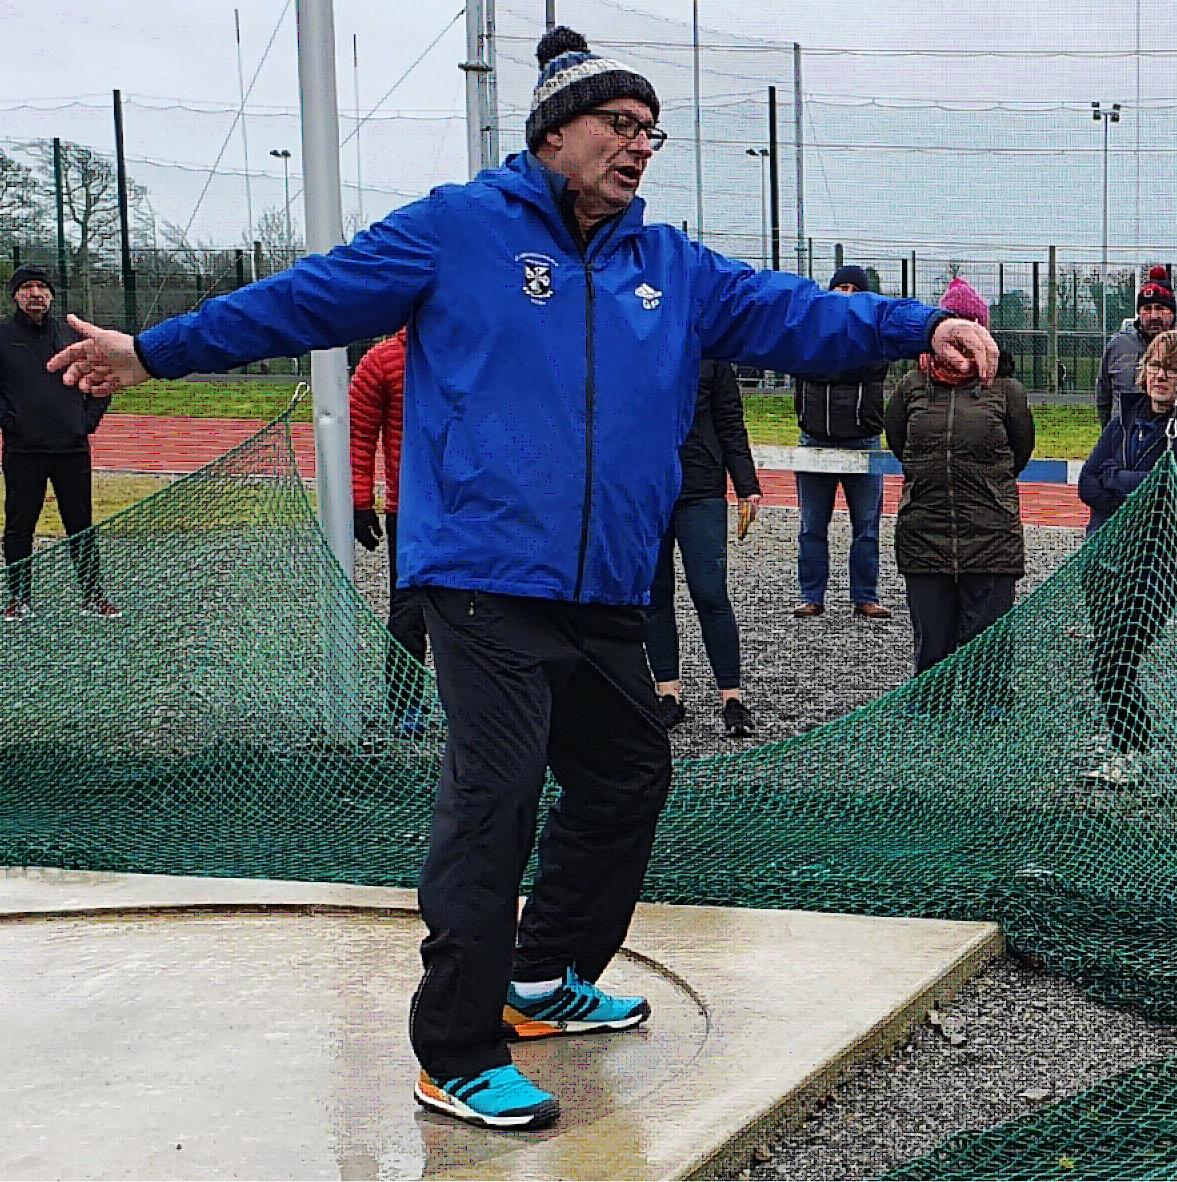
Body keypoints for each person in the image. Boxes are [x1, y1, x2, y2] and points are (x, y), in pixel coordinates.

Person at [46, 25, 999, 1132]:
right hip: (485, 580)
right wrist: (152, 351)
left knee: (627, 777)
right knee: (492, 802)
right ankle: (453, 1050)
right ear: (556, 133)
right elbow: (308, 300)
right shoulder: (458, 230)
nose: (641, 147)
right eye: (620, 126)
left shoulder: (671, 265)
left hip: (604, 589)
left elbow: (802, 314)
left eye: (652, 132)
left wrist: (923, 322)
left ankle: (541, 979)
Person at [884, 278, 1033, 702]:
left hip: (990, 541)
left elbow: (1019, 453)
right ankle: (931, 742)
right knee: (932, 655)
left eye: (973, 324)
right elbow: (899, 444)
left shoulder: (1006, 391)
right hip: (925, 538)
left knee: (988, 657)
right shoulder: (910, 388)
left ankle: (988, 741)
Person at [1077, 328, 1177, 784]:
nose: (1162, 376)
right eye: (1157, 366)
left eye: (1174, 369)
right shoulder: (1124, 418)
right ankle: (1129, 740)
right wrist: (1127, 483)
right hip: (1105, 559)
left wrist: (1116, 481)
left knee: (1113, 660)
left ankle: (1138, 748)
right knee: (1108, 659)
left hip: (1154, 566)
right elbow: (1087, 482)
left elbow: (1166, 493)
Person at [645, 359, 763, 738]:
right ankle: (668, 693)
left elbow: (730, 421)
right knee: (655, 594)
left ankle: (731, 697)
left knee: (711, 593)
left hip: (703, 488)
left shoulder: (712, 355)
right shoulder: (636, 343)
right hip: (646, 491)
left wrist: (746, 484)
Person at [1, 265, 117, 621]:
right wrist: (10, 420)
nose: (35, 293)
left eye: (41, 287)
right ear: (16, 295)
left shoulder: (71, 336)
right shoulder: (2, 337)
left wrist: (85, 423)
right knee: (20, 526)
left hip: (71, 450)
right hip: (23, 451)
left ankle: (93, 596)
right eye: (27, 287)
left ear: (51, 295)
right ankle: (19, 599)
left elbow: (104, 379)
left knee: (80, 523)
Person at [791, 264, 892, 619]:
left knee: (866, 527)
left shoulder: (876, 334)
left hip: (864, 442)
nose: (846, 293)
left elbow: (871, 366)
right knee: (811, 526)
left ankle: (866, 595)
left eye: (854, 288)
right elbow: (802, 362)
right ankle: (811, 595)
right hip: (813, 443)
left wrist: (832, 357)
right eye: (840, 286)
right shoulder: (807, 332)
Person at [348, 326, 431, 736]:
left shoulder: (475, 351)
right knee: (409, 612)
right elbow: (358, 434)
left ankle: (474, 703)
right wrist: (360, 501)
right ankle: (404, 705)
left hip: (473, 510)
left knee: (478, 608)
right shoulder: (382, 361)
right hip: (411, 513)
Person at [1097, 265, 1177, 426]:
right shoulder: (1119, 346)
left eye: (1160, 309)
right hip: (1124, 438)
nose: (1154, 315)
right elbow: (1103, 395)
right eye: (1147, 309)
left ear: (1173, 312)